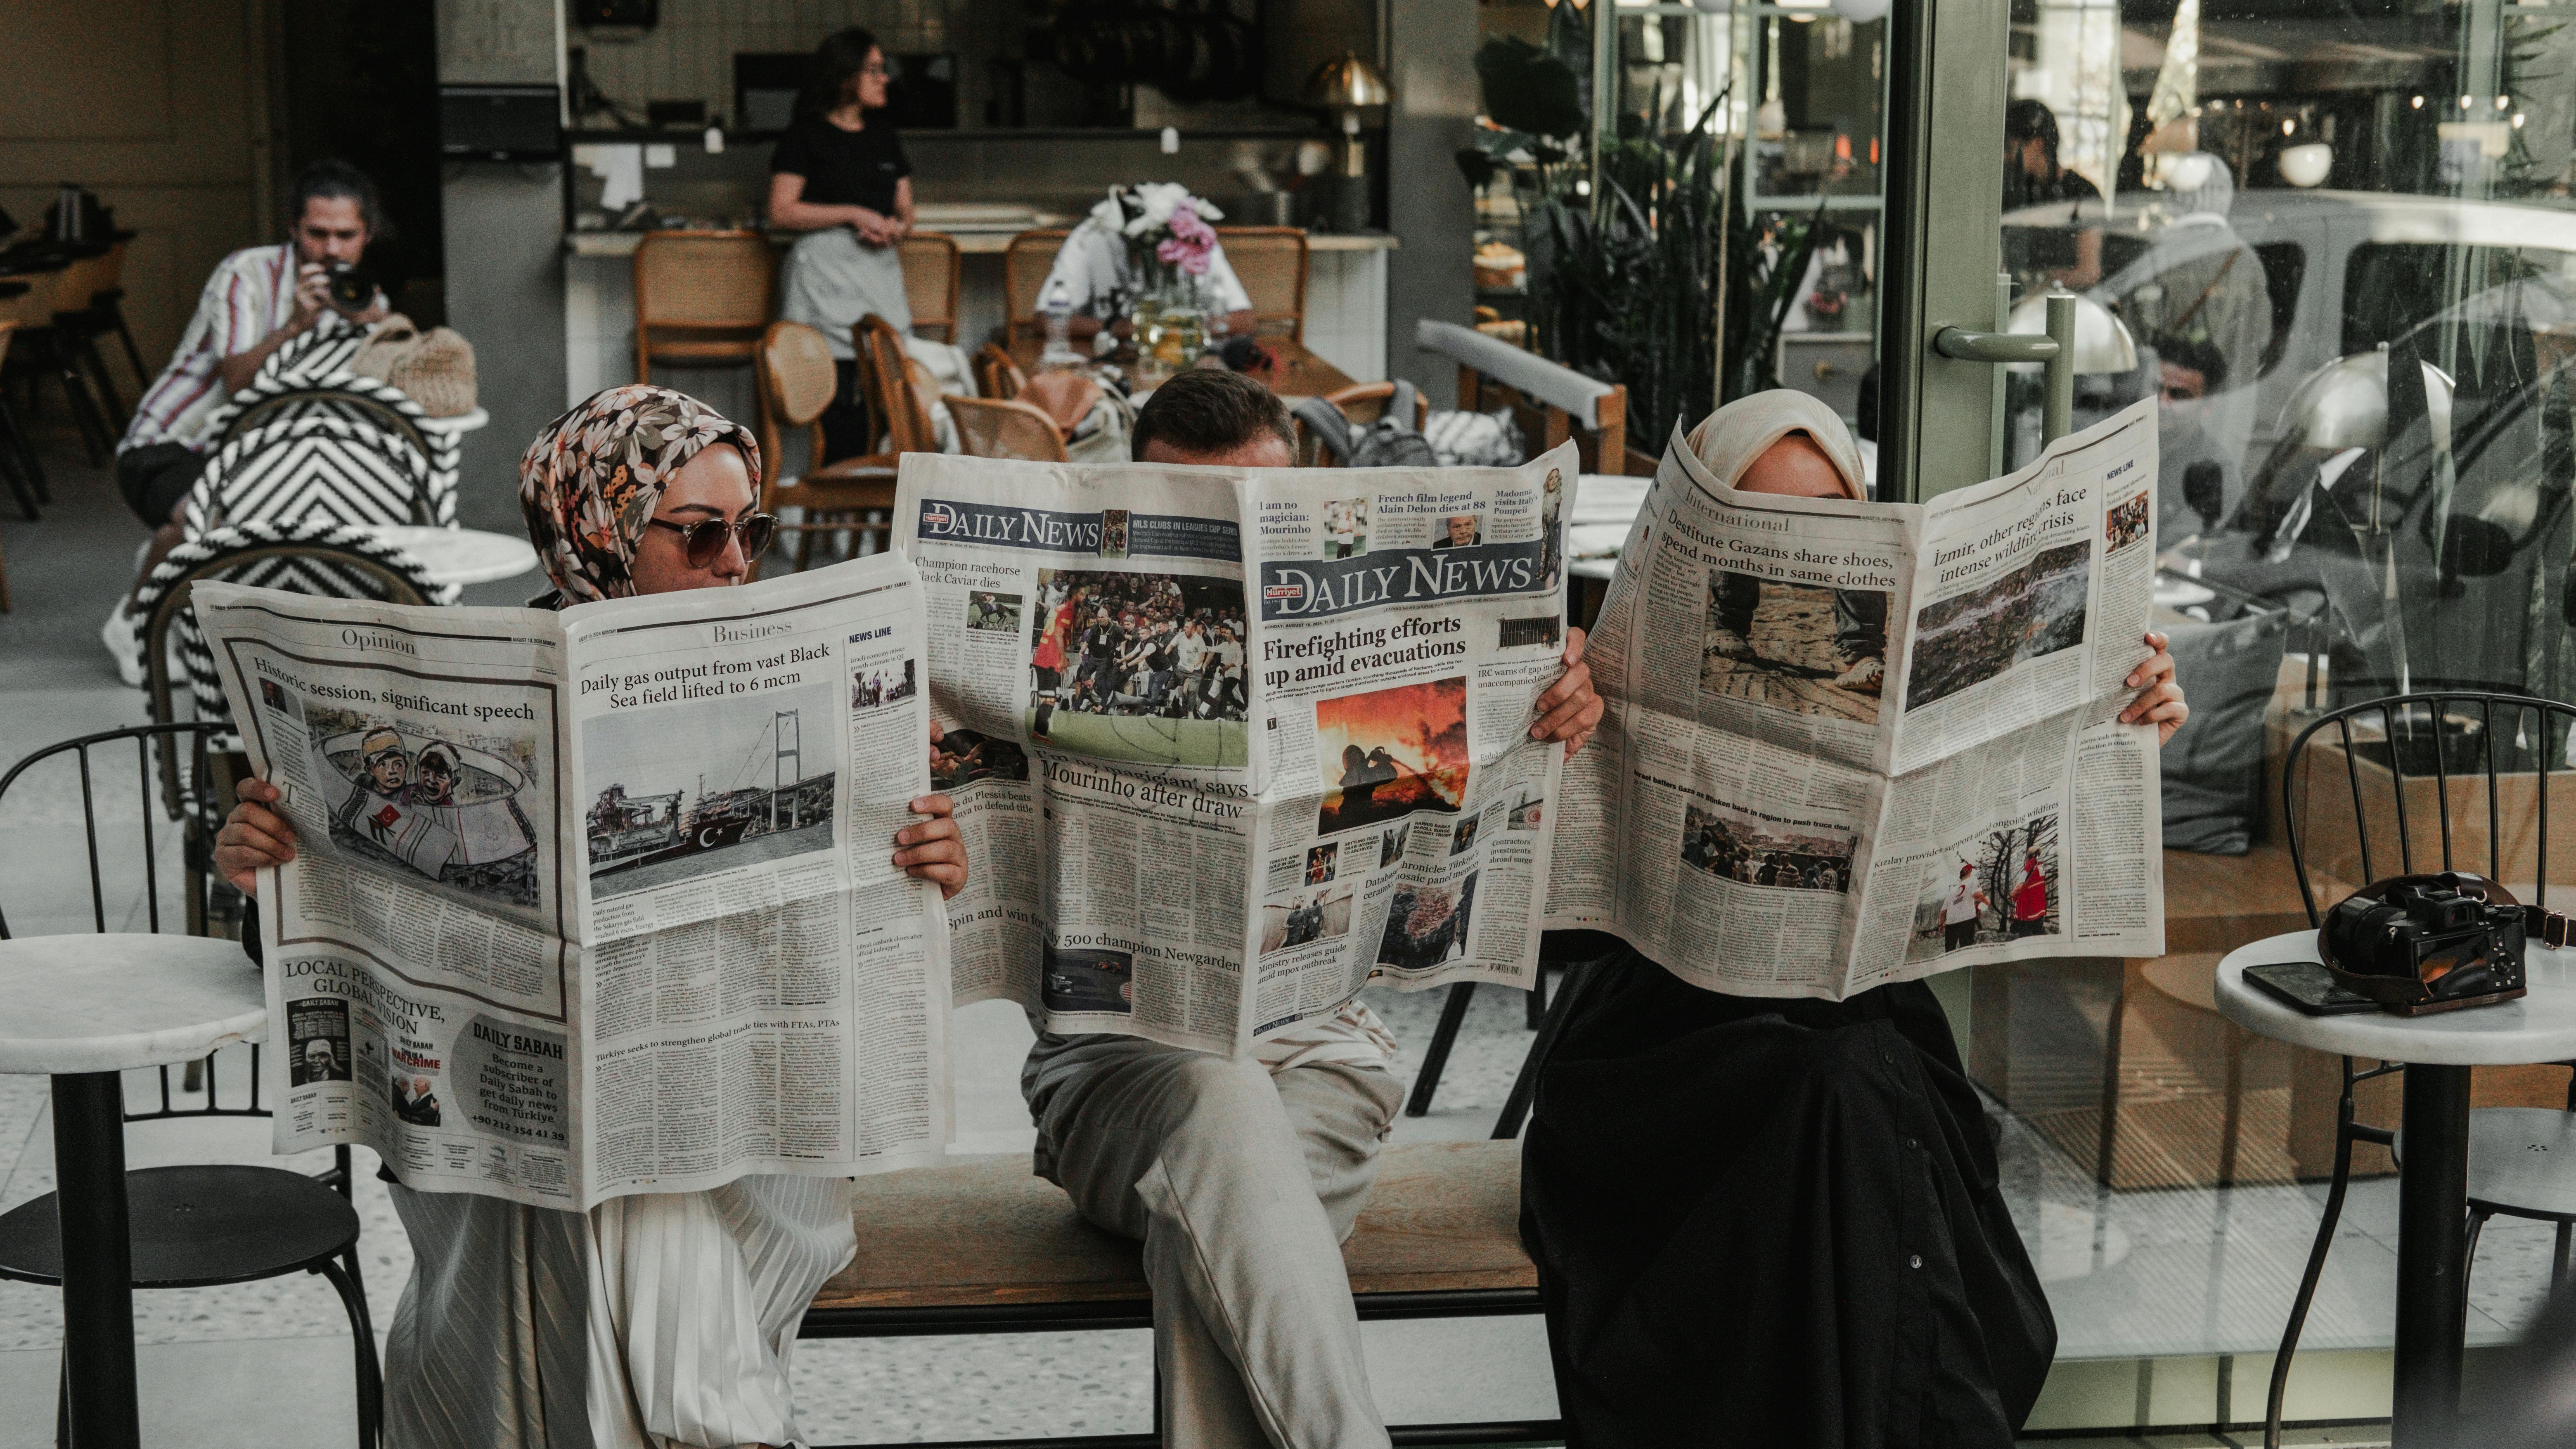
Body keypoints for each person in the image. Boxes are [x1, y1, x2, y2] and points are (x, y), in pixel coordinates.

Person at [211, 384, 971, 1449]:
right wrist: (264, 878)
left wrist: (928, 866)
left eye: (749, 530)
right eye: (700, 533)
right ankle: (727, 1429)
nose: (735, 563)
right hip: (510, 1140)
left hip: (750, 1151)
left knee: (618, 1197)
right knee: (599, 1187)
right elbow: (337, 955)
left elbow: (874, 936)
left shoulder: (797, 668)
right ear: (596, 531)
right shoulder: (467, 699)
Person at [1520, 387, 2185, 1448]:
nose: (1802, 546)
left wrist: (2120, 711)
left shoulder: (1907, 662)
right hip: (1655, 1074)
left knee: (1853, 1089)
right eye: (1764, 520)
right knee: (1850, 1106)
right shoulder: (1608, 660)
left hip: (1860, 1053)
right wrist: (1546, 744)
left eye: (1830, 516)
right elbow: (1537, 925)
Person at [1023, 366, 1603, 1449]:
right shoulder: (1066, 640)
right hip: (1113, 1069)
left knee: (1218, 1236)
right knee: (1218, 1095)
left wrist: (1552, 697)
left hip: (1323, 1056)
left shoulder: (1368, 633)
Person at [104, 161, 391, 685]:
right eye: (317, 234)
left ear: (366, 236)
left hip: (256, 458)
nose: (331, 250)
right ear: (293, 231)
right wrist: (297, 326)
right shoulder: (247, 274)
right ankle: (133, 620)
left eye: (345, 236)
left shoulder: (363, 300)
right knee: (208, 520)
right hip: (173, 442)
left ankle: (186, 569)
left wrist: (375, 330)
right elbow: (238, 383)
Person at [769, 27, 918, 461]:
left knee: (886, 393)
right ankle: (837, 498)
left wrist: (895, 227)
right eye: (873, 70)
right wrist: (853, 214)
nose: (884, 78)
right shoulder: (805, 136)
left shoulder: (884, 135)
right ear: (844, 78)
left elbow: (907, 208)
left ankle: (874, 516)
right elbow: (782, 210)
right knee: (833, 399)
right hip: (824, 278)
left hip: (878, 276)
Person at [1038, 184, 1257, 345]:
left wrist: (1184, 329)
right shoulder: (1092, 236)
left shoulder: (1194, 238)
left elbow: (1245, 321)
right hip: (1109, 362)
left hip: (1184, 361)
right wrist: (1118, 329)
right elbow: (1045, 319)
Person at [2001, 99, 2104, 289]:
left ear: (2038, 145)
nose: (2006, 157)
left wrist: (2041, 282)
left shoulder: (2082, 194)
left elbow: (2089, 272)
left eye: (2011, 148)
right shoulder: (2015, 193)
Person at [1941, 862, 1988, 952]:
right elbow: (1978, 895)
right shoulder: (1972, 880)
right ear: (1970, 872)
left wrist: (1941, 925)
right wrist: (1987, 902)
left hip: (1951, 925)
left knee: (1949, 951)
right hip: (1967, 921)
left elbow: (1943, 912)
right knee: (1966, 950)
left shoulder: (1952, 891)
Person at [2010, 852, 2050, 938]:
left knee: (2025, 937)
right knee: (2038, 934)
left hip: (2027, 911)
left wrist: (2012, 895)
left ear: (2028, 859)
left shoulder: (2027, 870)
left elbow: (2019, 887)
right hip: (2039, 908)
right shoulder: (2041, 867)